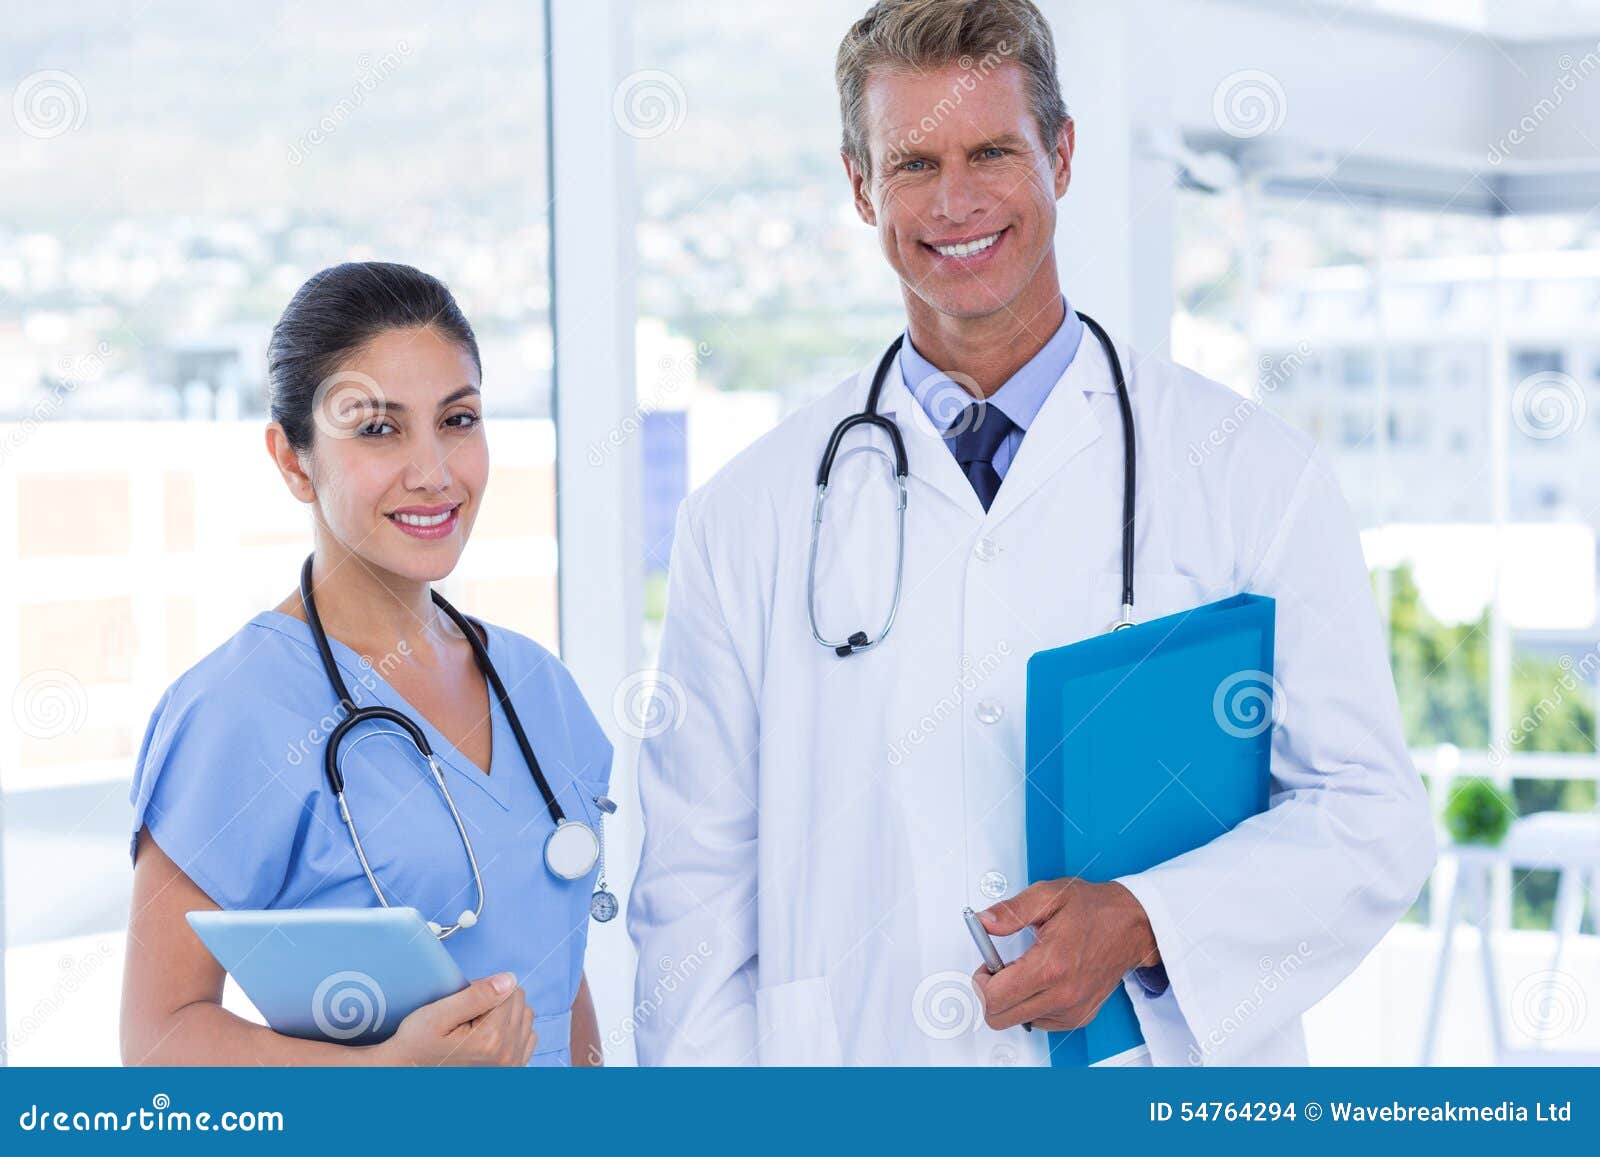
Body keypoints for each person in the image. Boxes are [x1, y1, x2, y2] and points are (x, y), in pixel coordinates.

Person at [626, 0, 1435, 1065]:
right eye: (911, 163)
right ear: (860, 185)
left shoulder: (1250, 473)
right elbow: (692, 896)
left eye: (991, 152)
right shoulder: (746, 514)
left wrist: (1147, 917)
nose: (953, 201)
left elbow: (1371, 818)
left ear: (1059, 152)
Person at [121, 261, 611, 1067]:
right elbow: (157, 1038)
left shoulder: (536, 687)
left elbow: (557, 983)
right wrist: (384, 1076)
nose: (434, 470)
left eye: (458, 419)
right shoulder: (233, 711)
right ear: (293, 460)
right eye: (378, 428)